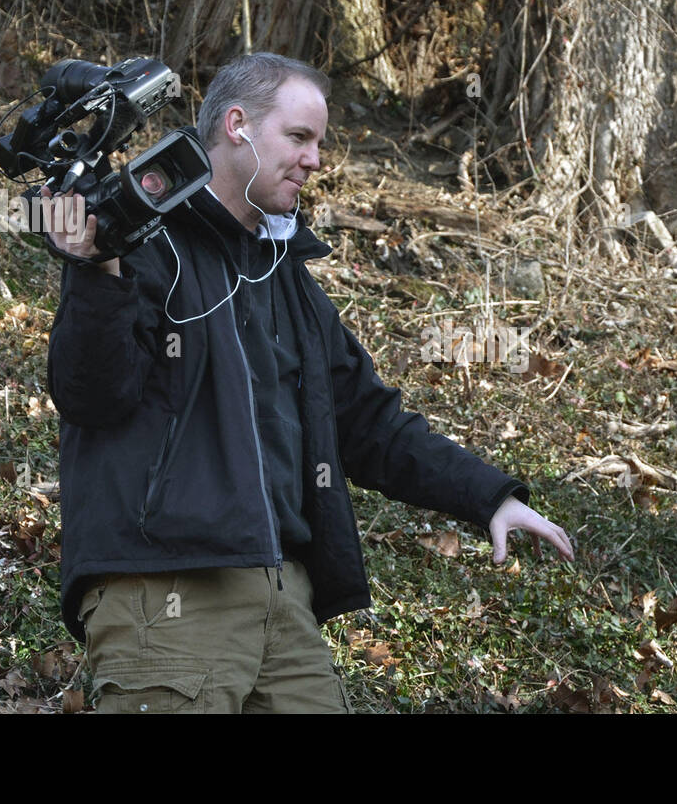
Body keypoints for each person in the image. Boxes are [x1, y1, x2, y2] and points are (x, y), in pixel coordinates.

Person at [43, 52, 574, 713]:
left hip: (285, 605)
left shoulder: (290, 285)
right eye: (299, 137)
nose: (316, 159)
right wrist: (98, 271)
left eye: (318, 142)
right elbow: (92, 393)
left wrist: (489, 498)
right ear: (237, 125)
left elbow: (372, 424)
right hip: (164, 598)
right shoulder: (142, 244)